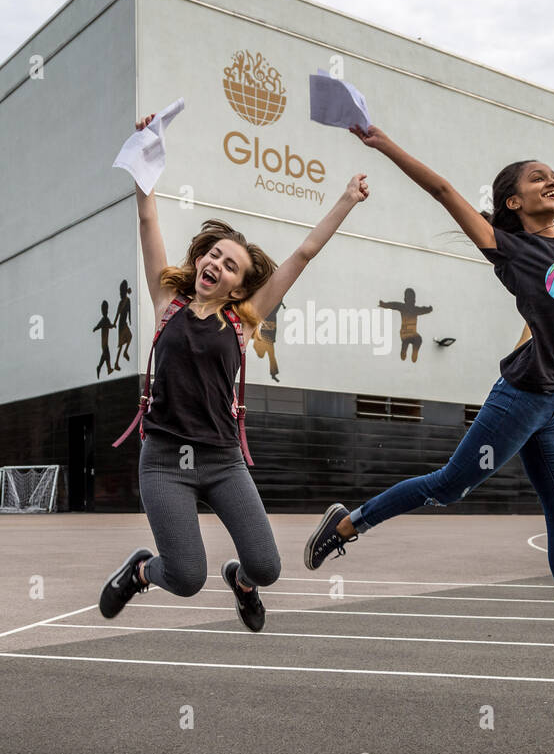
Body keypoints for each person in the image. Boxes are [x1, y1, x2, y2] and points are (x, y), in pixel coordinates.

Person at [304, 105, 554, 690]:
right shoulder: (508, 247)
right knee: (450, 486)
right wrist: (382, 142)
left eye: (552, 176)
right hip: (521, 397)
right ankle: (348, 524)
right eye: (537, 179)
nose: (551, 182)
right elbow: (443, 189)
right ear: (512, 202)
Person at [100, 111, 370, 632]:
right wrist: (144, 155)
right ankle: (140, 572)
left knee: (267, 567)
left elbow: (304, 254)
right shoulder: (166, 302)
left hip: (222, 460)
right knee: (184, 575)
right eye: (214, 255)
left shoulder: (243, 321)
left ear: (239, 288)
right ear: (200, 258)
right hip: (163, 461)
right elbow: (148, 221)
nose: (217, 265)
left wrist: (346, 199)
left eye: (230, 266)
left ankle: (240, 582)